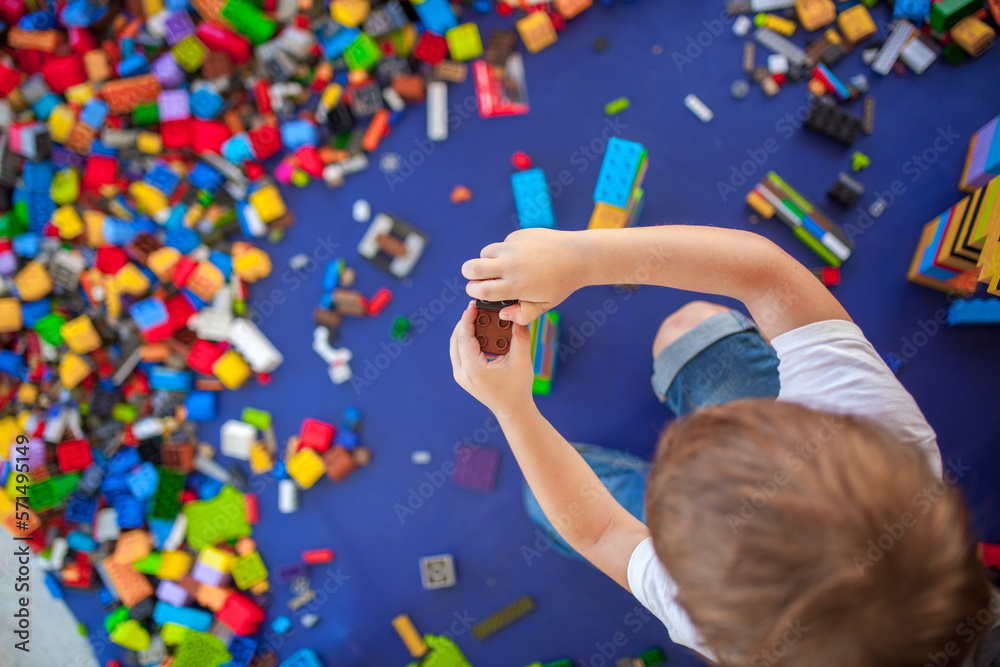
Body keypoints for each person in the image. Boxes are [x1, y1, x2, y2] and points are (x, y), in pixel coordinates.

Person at [448, 226, 996, 667]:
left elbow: (600, 530)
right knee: (691, 327)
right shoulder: (884, 431)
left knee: (541, 500)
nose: (675, 446)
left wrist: (512, 409)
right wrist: (583, 256)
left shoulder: (711, 619)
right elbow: (764, 274)